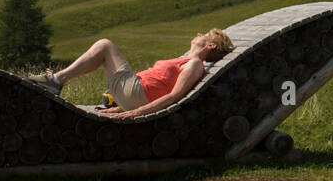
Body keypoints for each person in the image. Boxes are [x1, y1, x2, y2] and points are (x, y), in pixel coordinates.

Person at [27, 29, 233, 119]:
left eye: (203, 35)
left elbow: (175, 96)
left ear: (210, 45)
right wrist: (121, 107)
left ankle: (55, 81)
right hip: (134, 95)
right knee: (103, 52)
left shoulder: (195, 64)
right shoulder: (188, 61)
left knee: (105, 45)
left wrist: (137, 111)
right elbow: (162, 86)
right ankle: (56, 80)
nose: (198, 34)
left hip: (137, 95)